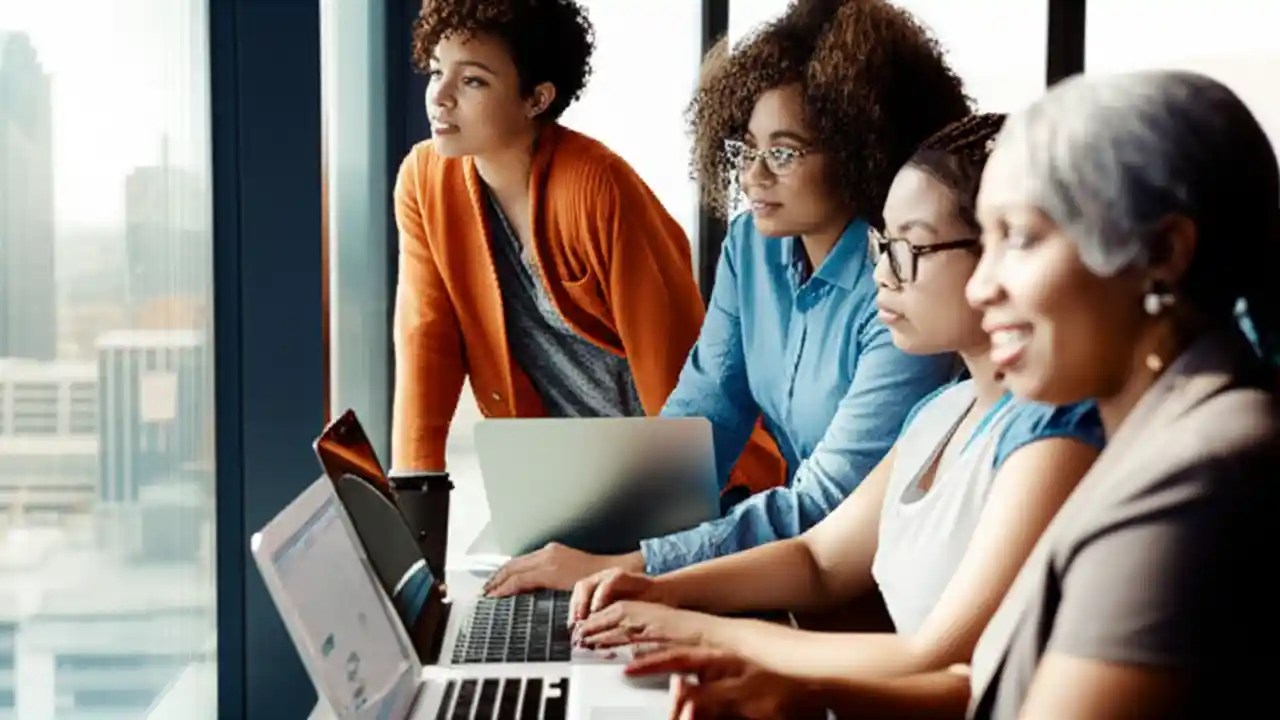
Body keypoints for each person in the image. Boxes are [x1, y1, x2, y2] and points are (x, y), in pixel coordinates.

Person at [627, 70, 1280, 719]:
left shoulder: (1196, 473)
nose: (983, 285)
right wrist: (803, 694)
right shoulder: (1164, 436)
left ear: (1163, 252)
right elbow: (983, 683)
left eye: (1019, 239)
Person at [568, 114, 1104, 689]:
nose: (882, 273)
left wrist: (702, 631)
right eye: (883, 244)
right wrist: (659, 588)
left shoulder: (1054, 432)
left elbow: (939, 662)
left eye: (911, 247)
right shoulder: (944, 409)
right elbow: (818, 560)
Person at [485, 0, 972, 597]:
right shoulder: (752, 248)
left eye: (784, 152)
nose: (752, 176)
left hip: (870, 582)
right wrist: (596, 536)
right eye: (747, 149)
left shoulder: (904, 288)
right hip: (791, 565)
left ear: (860, 148)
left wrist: (638, 565)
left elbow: (826, 503)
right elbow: (703, 420)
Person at [390, 0, 781, 497]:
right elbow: (426, 342)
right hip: (561, 484)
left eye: (472, 81)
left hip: (675, 473)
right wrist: (413, 506)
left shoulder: (599, 187)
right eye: (436, 71)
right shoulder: (424, 181)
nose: (440, 97)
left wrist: (692, 517)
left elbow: (679, 368)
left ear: (536, 98)